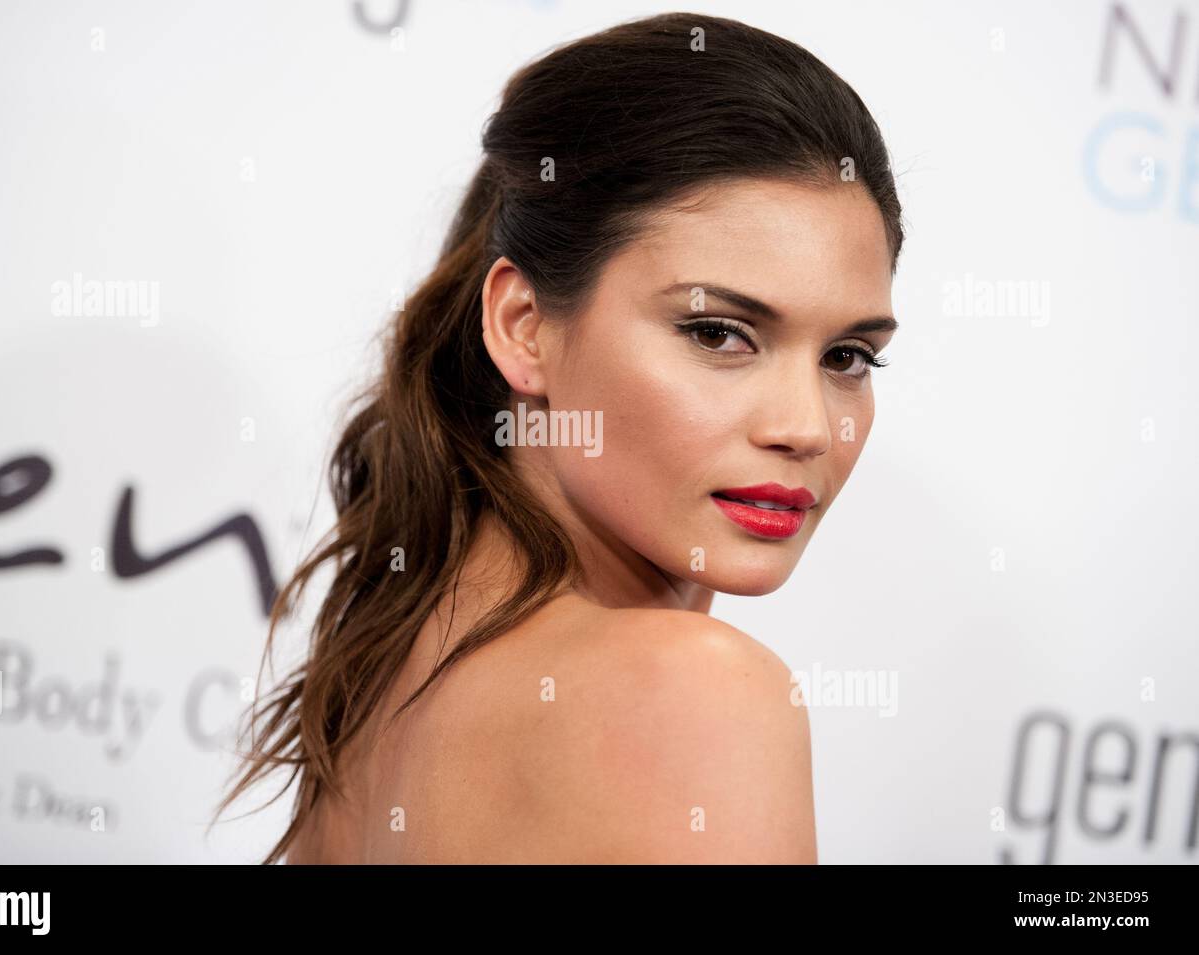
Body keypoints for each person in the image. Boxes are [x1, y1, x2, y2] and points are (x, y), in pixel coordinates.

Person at [217, 10, 904, 864]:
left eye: (848, 355)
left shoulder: (382, 672)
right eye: (719, 333)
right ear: (524, 323)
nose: (805, 426)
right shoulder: (697, 691)